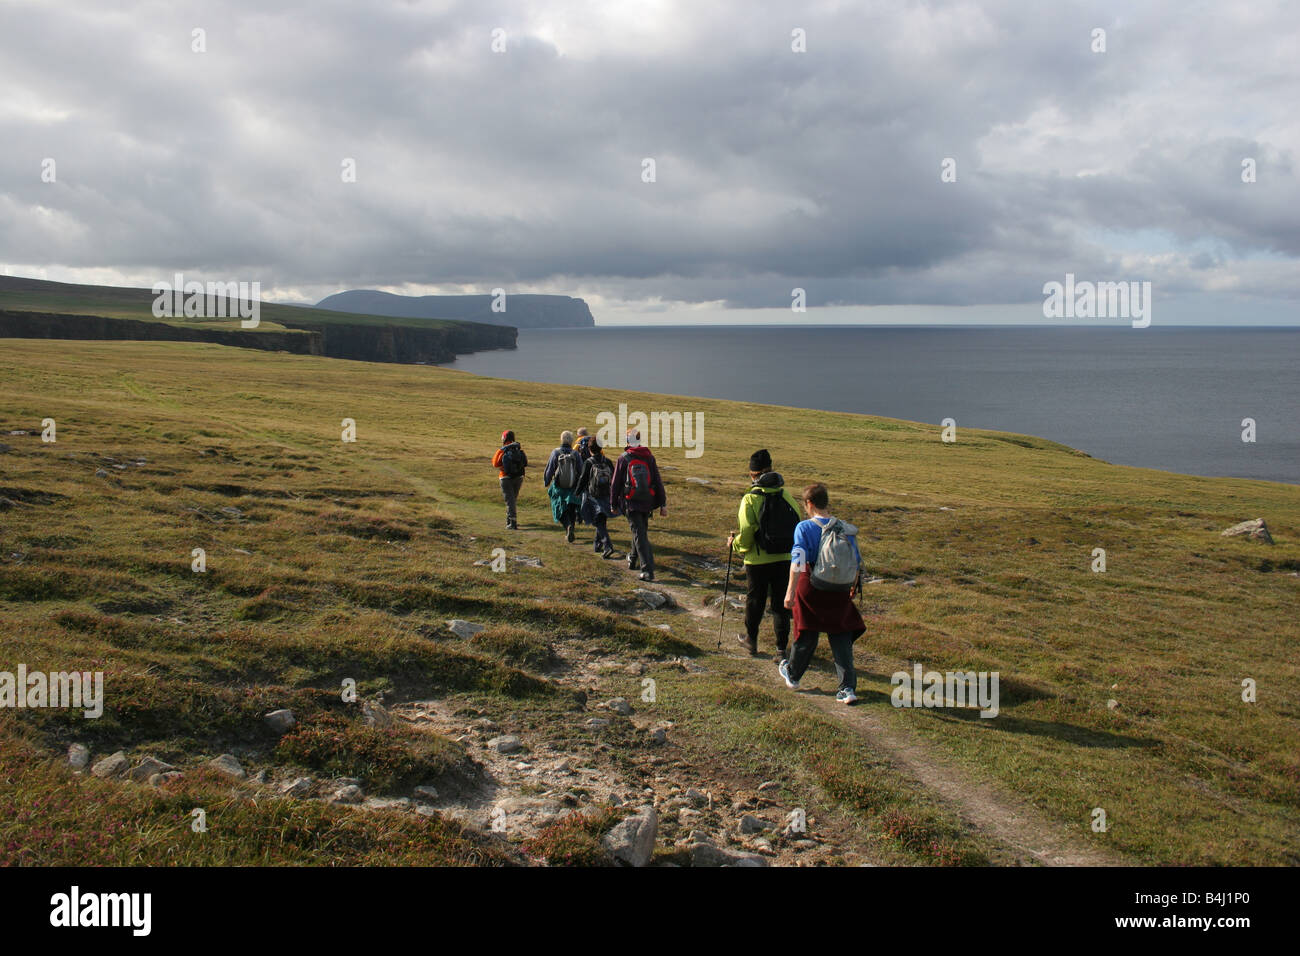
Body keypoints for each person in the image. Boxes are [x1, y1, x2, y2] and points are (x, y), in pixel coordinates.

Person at [779, 483, 865, 704]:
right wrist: (852, 586)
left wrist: (790, 592)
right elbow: (855, 560)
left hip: (812, 586)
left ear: (809, 504)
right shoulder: (845, 528)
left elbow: (797, 562)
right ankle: (847, 688)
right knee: (841, 635)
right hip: (839, 589)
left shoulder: (804, 528)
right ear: (826, 501)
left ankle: (793, 674)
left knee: (807, 630)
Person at [726, 449, 800, 659]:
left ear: (753, 474)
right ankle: (781, 648)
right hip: (785, 557)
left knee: (755, 600)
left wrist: (735, 545)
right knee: (780, 604)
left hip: (757, 560)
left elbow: (747, 533)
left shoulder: (750, 499)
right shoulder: (786, 495)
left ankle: (751, 640)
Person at [610, 428, 666, 581]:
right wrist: (663, 504)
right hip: (647, 501)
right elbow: (657, 481)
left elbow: (615, 484)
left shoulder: (623, 458)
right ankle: (633, 558)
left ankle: (647, 570)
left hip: (631, 501)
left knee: (639, 535)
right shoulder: (649, 457)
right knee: (640, 532)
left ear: (628, 441)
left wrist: (613, 503)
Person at [578, 437, 617, 558]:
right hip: (607, 494)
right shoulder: (608, 461)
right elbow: (614, 478)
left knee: (597, 521)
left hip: (593, 496)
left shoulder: (589, 462)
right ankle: (597, 544)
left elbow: (583, 479)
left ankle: (607, 545)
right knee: (601, 519)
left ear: (589, 449)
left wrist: (577, 492)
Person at [543, 430, 584, 542]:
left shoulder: (556, 452)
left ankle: (567, 527)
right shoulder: (575, 454)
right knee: (571, 507)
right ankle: (571, 530)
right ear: (571, 441)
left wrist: (546, 481)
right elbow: (581, 471)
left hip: (559, 486)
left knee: (557, 506)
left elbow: (550, 469)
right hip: (573, 486)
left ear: (561, 439)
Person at [491, 429, 527, 530]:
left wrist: (501, 450)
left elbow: (495, 463)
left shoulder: (504, 449)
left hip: (505, 477)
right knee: (512, 500)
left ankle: (513, 522)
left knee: (509, 500)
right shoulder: (517, 448)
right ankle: (509, 520)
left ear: (504, 438)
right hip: (519, 477)